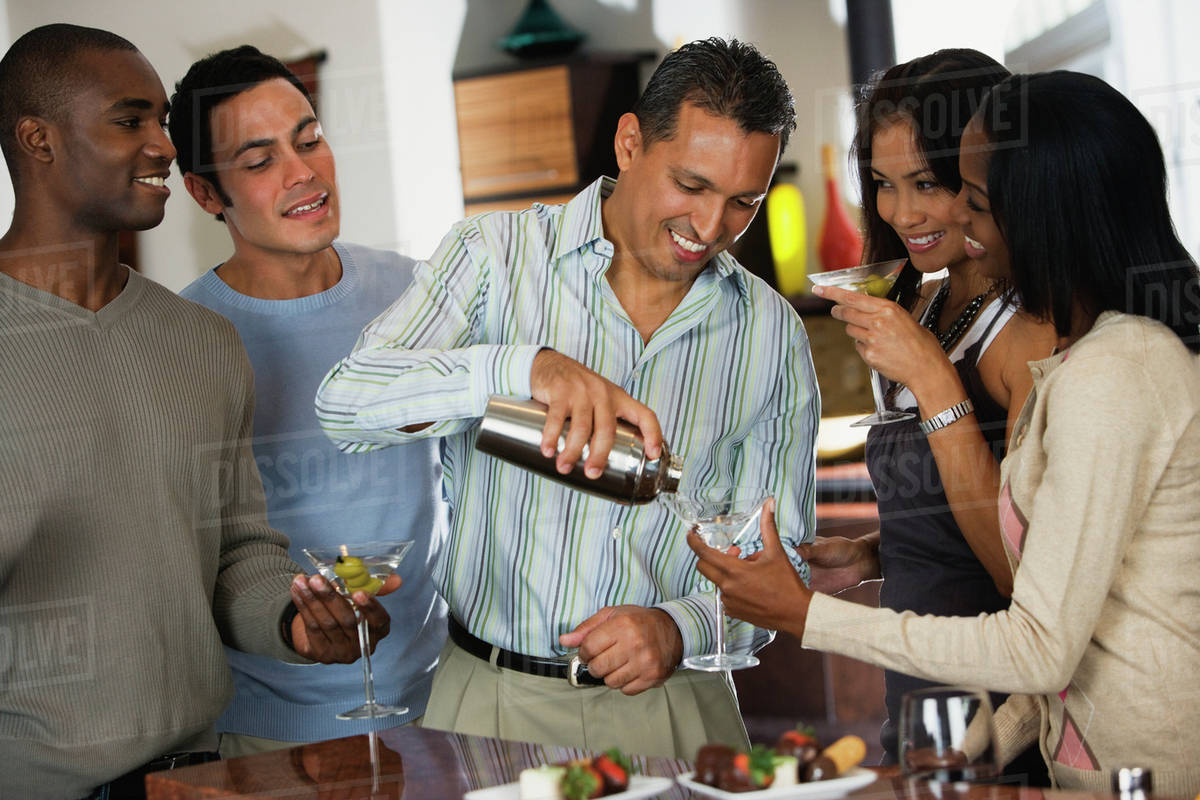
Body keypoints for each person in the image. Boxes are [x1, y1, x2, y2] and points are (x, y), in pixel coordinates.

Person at [692, 71, 1200, 792]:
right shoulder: (1102, 358)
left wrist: (806, 616)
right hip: (1070, 754)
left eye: (976, 201)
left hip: (1144, 775)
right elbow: (1073, 603)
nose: (958, 221)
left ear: (1041, 215)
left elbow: (1039, 638)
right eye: (886, 184)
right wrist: (963, 751)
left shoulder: (1112, 371)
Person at [315, 38, 819, 759]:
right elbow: (344, 404)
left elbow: (785, 564)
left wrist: (682, 629)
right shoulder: (491, 257)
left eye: (744, 201)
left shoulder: (770, 333)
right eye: (692, 185)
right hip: (489, 701)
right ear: (629, 142)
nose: (710, 228)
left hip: (676, 708)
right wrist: (527, 367)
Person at [0, 25, 392, 799]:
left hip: (199, 778)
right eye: (129, 119)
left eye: (159, 121)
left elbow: (237, 555)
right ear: (38, 140)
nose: (163, 146)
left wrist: (296, 622)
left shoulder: (203, 342)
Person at [170, 46, 449, 756]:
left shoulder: (422, 296)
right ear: (206, 195)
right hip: (267, 736)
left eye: (310, 139)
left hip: (443, 704)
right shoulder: (184, 339)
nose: (304, 174)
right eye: (259, 161)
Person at [799, 50, 1055, 774]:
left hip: (1002, 720)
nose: (901, 213)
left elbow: (1023, 574)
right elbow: (961, 498)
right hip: (915, 702)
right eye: (883, 185)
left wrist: (934, 380)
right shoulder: (924, 298)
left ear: (986, 175)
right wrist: (877, 551)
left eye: (929, 184)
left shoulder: (1028, 329)